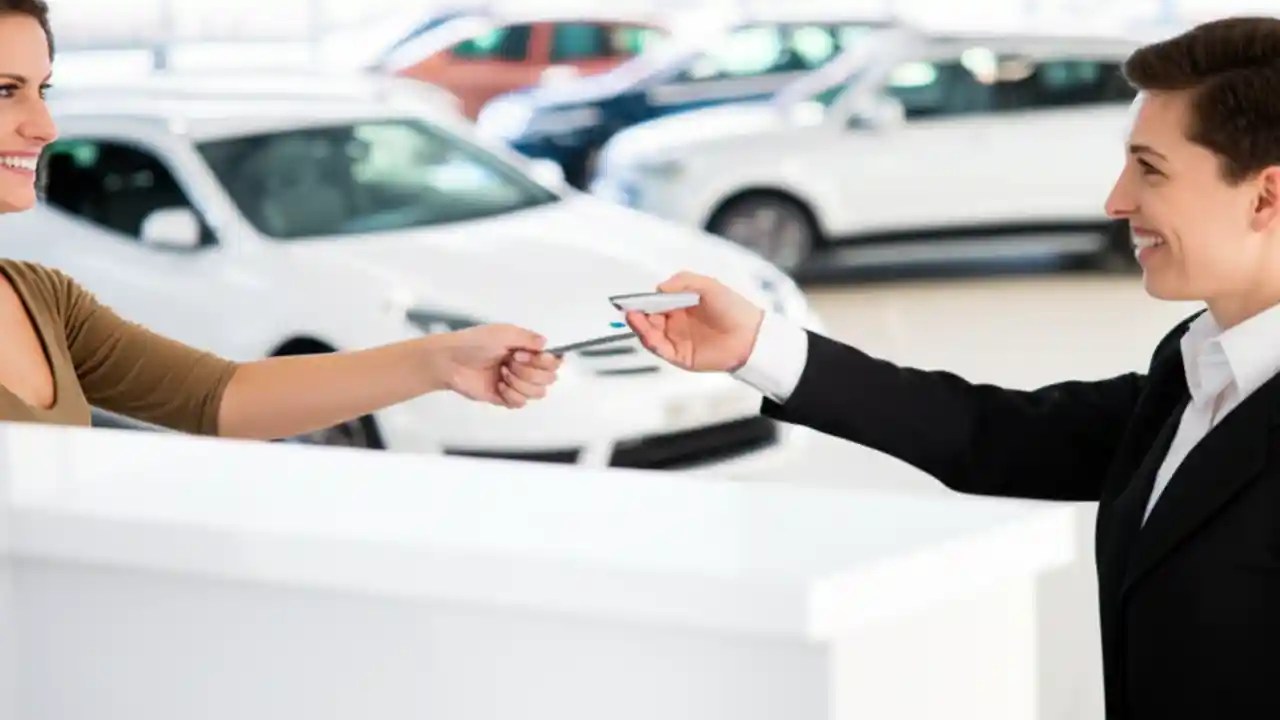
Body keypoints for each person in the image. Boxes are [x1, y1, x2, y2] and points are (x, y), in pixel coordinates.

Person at [629, 16, 1280, 720]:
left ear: (1266, 196)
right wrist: (758, 345)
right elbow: (995, 435)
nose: (1116, 200)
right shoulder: (1200, 363)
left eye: (1149, 168)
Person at [0, 0, 560, 437]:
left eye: (43, 90)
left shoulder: (42, 301)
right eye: (6, 91)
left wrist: (442, 361)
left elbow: (222, 396)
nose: (46, 126)